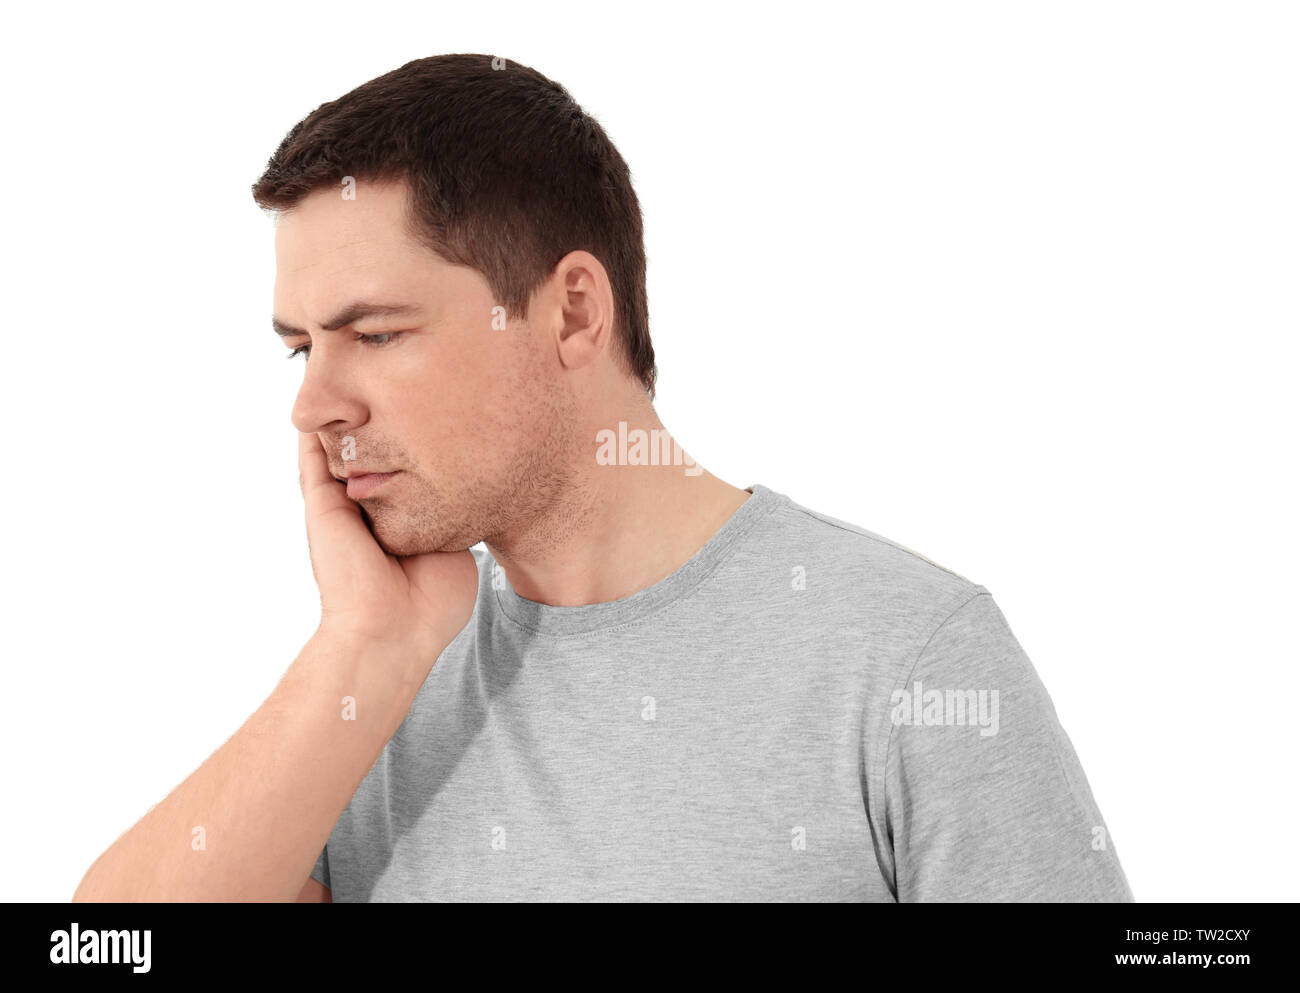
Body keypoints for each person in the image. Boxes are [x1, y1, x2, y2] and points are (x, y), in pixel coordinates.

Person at [73, 53, 1133, 903]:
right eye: (302, 347)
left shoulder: (905, 658)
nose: (313, 406)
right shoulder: (377, 689)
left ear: (572, 310)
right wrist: (368, 644)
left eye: (378, 333)